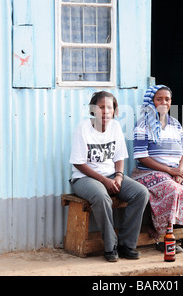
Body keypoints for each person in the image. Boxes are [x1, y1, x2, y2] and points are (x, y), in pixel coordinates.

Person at [69, 91, 149, 262]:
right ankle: (110, 246)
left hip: (111, 175)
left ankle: (126, 244)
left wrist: (119, 177)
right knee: (101, 196)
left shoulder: (115, 127)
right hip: (84, 178)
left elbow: (119, 157)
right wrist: (104, 180)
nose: (105, 111)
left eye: (109, 108)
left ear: (114, 110)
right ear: (92, 109)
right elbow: (78, 163)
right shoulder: (83, 128)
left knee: (141, 193)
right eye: (101, 107)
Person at [131, 85, 183, 252]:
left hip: (175, 171)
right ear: (151, 101)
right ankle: (163, 236)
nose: (163, 102)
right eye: (159, 99)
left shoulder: (175, 124)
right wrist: (170, 171)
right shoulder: (142, 124)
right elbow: (142, 157)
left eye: (167, 99)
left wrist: (180, 172)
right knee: (173, 190)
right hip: (147, 173)